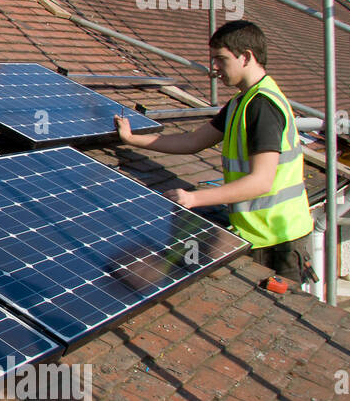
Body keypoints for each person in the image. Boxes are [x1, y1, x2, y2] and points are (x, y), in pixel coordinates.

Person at [114, 20, 316, 284]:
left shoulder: (262, 106)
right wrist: (132, 139)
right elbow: (193, 142)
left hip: (280, 239)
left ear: (246, 57)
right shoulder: (240, 103)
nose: (214, 69)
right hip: (258, 233)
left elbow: (262, 180)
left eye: (220, 59)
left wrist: (194, 199)